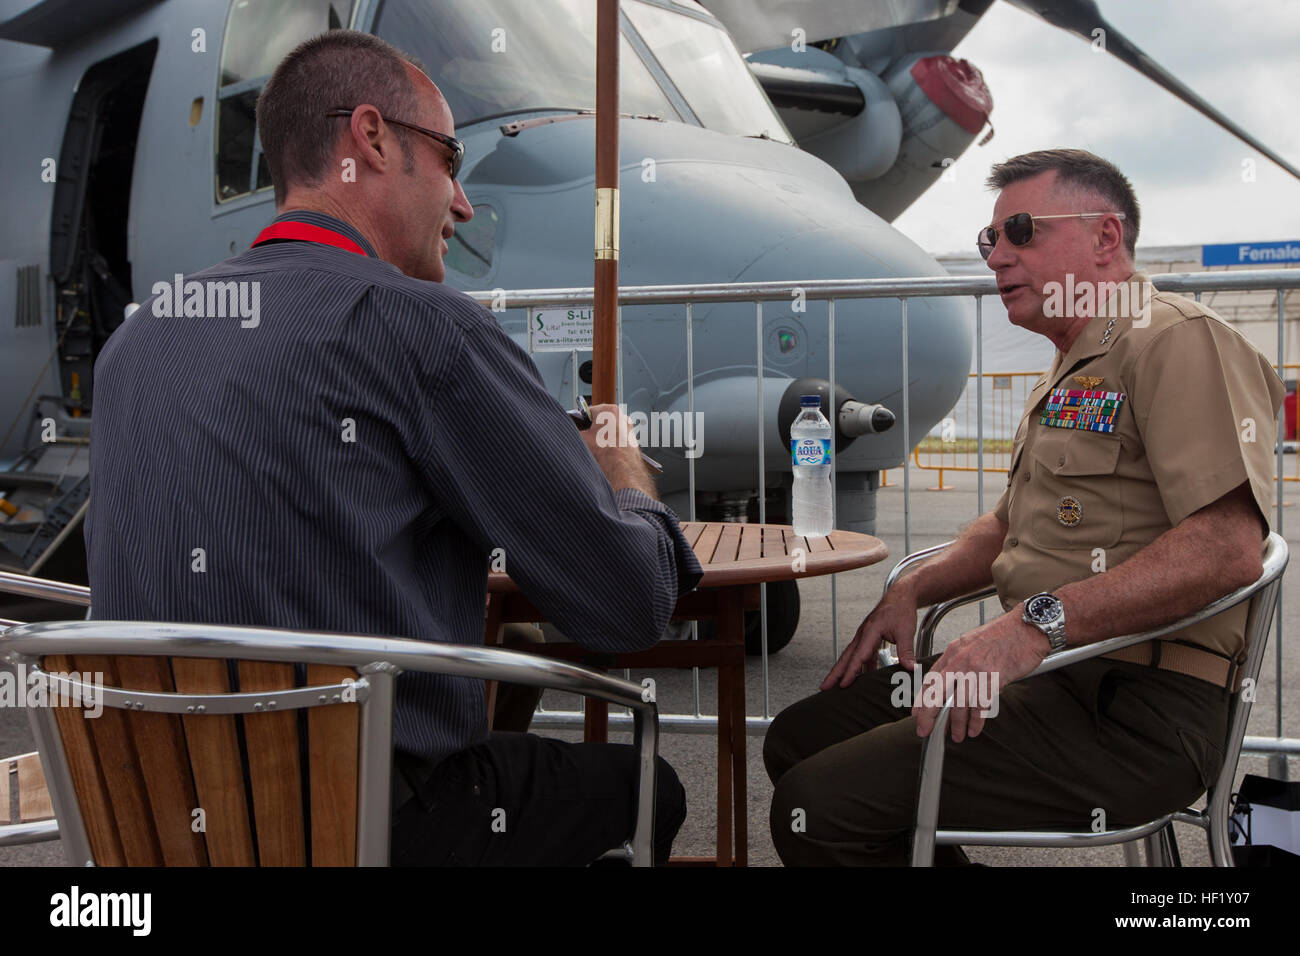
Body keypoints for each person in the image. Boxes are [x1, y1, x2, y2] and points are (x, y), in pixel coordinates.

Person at [85, 30, 702, 866]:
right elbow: (627, 604)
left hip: (154, 821)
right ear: (371, 139)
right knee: (647, 788)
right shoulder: (423, 329)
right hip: (361, 821)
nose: (463, 203)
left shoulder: (135, 343)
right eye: (450, 158)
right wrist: (623, 472)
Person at [764, 148, 1284, 866]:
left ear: (1106, 238)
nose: (997, 257)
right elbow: (1009, 525)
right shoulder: (1075, 362)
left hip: (1137, 708)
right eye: (990, 240)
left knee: (814, 809)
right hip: (1057, 677)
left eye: (1021, 231)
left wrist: (1033, 627)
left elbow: (1226, 547)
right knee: (798, 736)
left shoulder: (1173, 339)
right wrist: (916, 586)